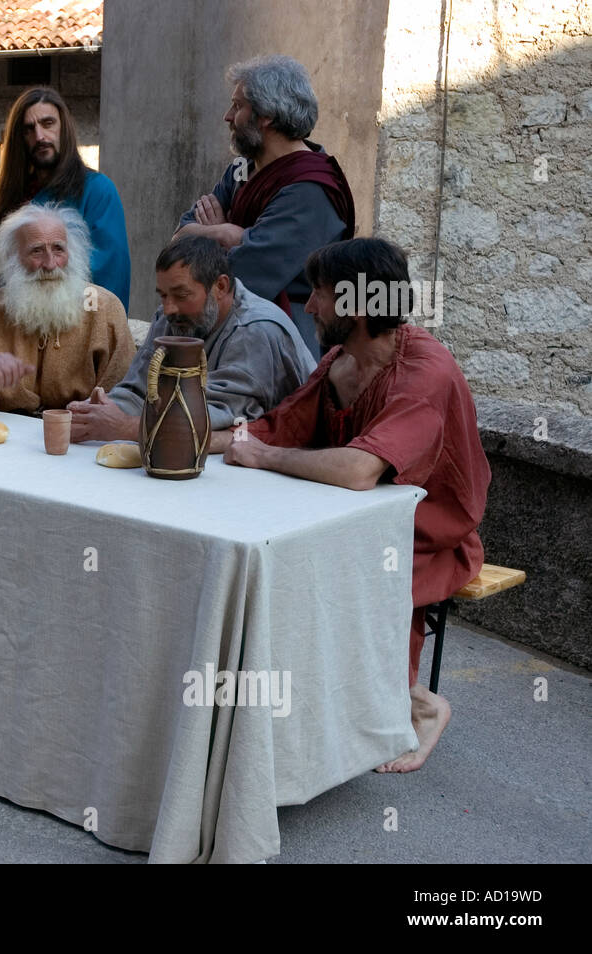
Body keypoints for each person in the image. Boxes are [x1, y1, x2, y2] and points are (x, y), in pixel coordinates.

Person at [208, 238, 491, 773]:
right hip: (350, 516)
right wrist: (184, 436)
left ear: (356, 304)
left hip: (428, 533)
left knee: (354, 575)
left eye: (318, 293)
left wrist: (265, 457)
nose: (308, 306)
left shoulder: (423, 375)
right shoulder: (342, 360)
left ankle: (420, 706)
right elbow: (271, 429)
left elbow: (360, 471)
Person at [172, 55, 355, 359]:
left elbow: (245, 273)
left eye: (238, 106)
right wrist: (226, 232)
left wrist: (210, 238)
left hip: (284, 341)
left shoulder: (311, 188)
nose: (228, 116)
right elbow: (179, 243)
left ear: (266, 115)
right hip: (225, 330)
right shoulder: (241, 171)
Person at [69, 235, 315, 443]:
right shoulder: (172, 317)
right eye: (163, 295)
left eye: (181, 295)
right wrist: (95, 412)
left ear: (220, 287)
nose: (168, 309)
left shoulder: (255, 330)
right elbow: (138, 389)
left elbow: (220, 418)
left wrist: (125, 427)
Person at [0, 204, 132, 414]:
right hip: (6, 436)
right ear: (12, 259)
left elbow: (128, 394)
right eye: (37, 251)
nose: (50, 264)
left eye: (58, 249)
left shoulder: (105, 309)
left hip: (84, 436)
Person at [0, 87, 130, 310]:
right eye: (29, 129)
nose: (40, 136)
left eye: (48, 123)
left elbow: (109, 274)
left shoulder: (98, 190)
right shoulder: (14, 196)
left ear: (64, 127)